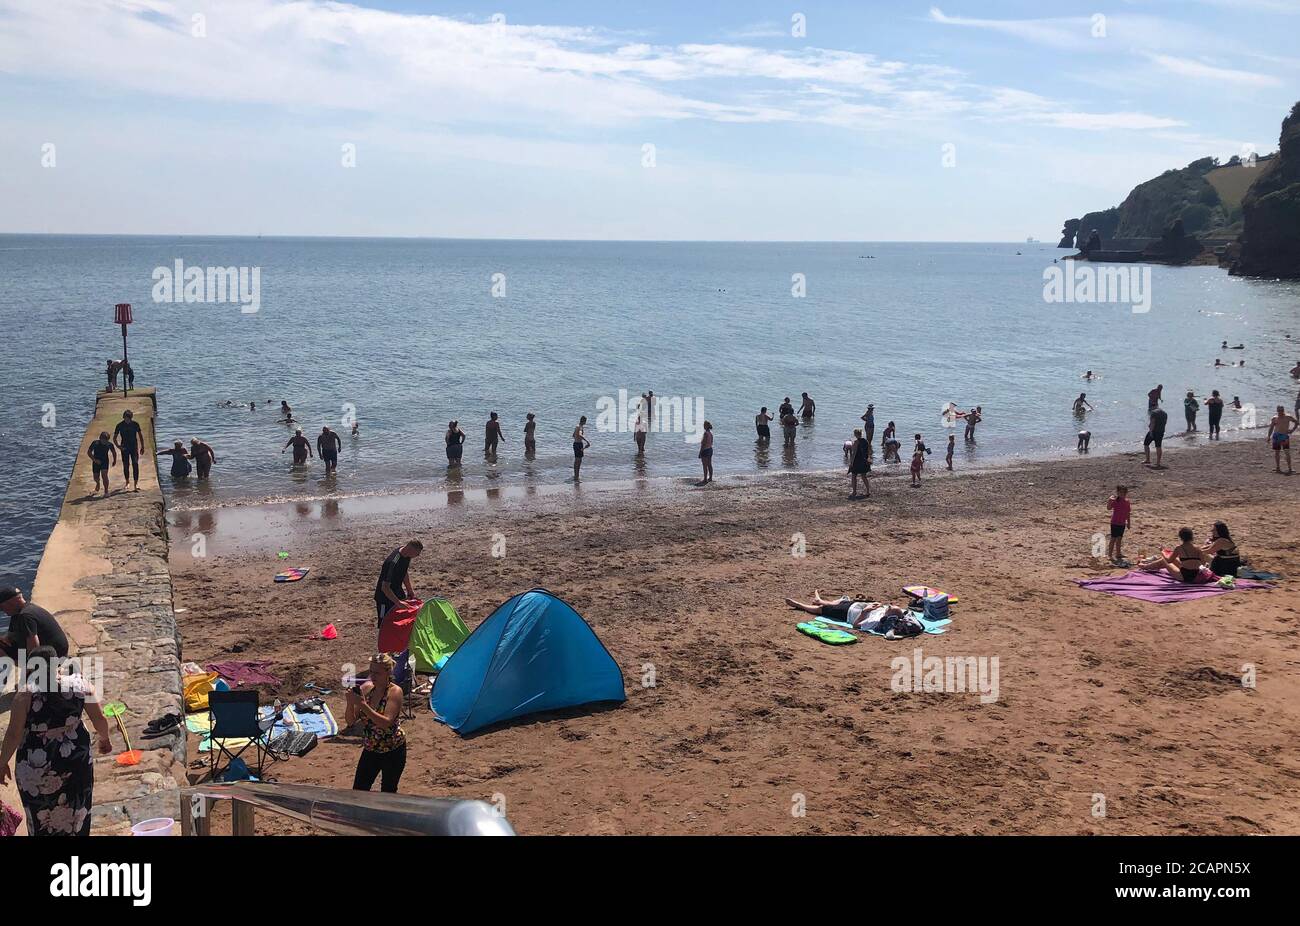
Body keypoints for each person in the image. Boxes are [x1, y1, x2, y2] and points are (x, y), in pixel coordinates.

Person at [0, 646, 114, 836]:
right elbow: (99, 719)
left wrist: (2, 763)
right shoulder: (80, 685)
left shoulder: (25, 695)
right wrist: (105, 739)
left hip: (36, 768)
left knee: (40, 818)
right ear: (58, 665)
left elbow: (13, 734)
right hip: (76, 760)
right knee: (77, 811)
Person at [346, 654, 407, 794]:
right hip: (371, 747)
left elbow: (385, 723)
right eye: (371, 672)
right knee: (359, 790)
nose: (373, 676)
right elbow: (350, 721)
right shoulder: (367, 689)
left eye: (377, 673)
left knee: (388, 791)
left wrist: (362, 705)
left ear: (388, 672)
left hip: (392, 749)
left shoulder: (395, 692)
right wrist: (350, 703)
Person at [0, 588, 70, 660]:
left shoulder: (26, 616)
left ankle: (17, 668)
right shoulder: (20, 612)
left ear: (12, 602)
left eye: (2, 608)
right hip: (51, 652)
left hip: (52, 655)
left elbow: (33, 644)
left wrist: (31, 666)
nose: (2, 611)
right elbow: (9, 637)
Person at [374, 540, 422, 627]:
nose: (417, 556)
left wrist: (409, 589)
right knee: (384, 623)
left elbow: (404, 572)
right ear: (410, 550)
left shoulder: (406, 555)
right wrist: (398, 603)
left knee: (401, 618)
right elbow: (385, 588)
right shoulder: (392, 562)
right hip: (384, 597)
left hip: (397, 590)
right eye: (417, 554)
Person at [1140, 527, 1207, 583]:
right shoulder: (1198, 548)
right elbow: (1203, 563)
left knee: (1163, 560)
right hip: (1197, 576)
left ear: (1181, 537)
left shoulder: (1179, 548)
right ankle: (1147, 566)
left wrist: (1162, 551)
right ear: (1191, 536)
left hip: (1185, 577)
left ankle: (1144, 567)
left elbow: (1168, 561)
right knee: (1175, 559)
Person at [112, 409, 143, 492]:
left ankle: (136, 483)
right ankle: (127, 482)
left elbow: (140, 435)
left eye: (128, 418)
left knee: (135, 464)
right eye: (125, 418)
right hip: (124, 447)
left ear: (131, 418)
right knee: (126, 465)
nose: (127, 420)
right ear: (123, 417)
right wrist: (118, 446)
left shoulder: (135, 424)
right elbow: (114, 438)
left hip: (134, 447)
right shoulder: (119, 425)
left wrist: (142, 447)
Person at [1267, 405, 1297, 474]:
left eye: (1282, 410)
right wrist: (1268, 436)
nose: (1280, 412)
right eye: (1279, 410)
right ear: (1277, 411)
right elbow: (1271, 428)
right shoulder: (1274, 418)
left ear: (1284, 410)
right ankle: (1278, 468)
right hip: (1276, 436)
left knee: (1287, 452)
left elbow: (1296, 422)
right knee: (1277, 452)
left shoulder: (1288, 417)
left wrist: (1292, 430)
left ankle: (1290, 468)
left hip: (1284, 436)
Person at [1105, 485, 1131, 565]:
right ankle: (1109, 554)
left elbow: (1128, 513)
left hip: (1122, 523)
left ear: (1126, 493)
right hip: (1115, 523)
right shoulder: (1115, 501)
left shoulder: (1127, 502)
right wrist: (1109, 500)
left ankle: (1118, 553)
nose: (1122, 494)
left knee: (1119, 539)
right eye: (1120, 492)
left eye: (1124, 492)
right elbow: (1108, 508)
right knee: (1113, 539)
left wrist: (1128, 522)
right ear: (1117, 492)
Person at [86, 430, 117, 497]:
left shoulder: (109, 445)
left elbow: (114, 453)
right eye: (103, 439)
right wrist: (94, 460)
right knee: (96, 477)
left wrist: (114, 460)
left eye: (106, 440)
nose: (104, 441)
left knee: (104, 476)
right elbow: (89, 452)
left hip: (104, 461)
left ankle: (106, 491)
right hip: (96, 461)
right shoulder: (95, 443)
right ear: (100, 438)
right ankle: (98, 484)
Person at [847, 428, 870, 498]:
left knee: (854, 476)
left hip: (857, 461)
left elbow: (853, 453)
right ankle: (868, 491)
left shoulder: (856, 442)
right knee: (864, 476)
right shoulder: (866, 441)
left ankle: (854, 492)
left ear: (856, 434)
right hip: (864, 461)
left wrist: (851, 463)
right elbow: (868, 451)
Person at [572, 416, 590, 480]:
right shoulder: (580, 427)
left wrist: (577, 438)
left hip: (575, 444)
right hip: (579, 444)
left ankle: (575, 475)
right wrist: (586, 441)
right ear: (584, 421)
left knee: (576, 460)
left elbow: (573, 435)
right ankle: (577, 477)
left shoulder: (577, 426)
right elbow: (579, 434)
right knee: (579, 461)